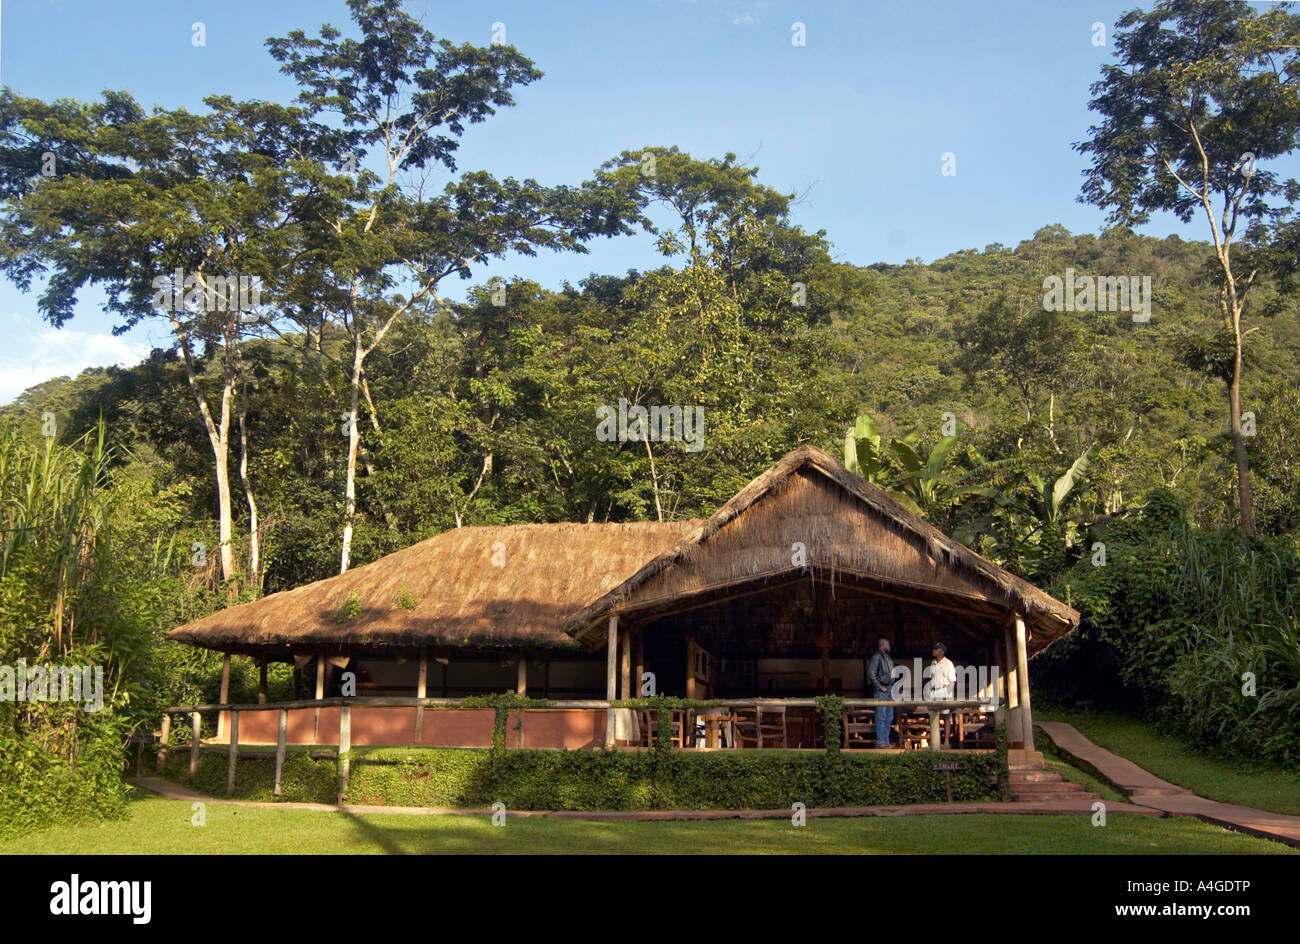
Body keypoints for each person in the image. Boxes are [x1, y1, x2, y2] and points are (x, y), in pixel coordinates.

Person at [867, 636, 895, 747]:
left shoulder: (887, 658)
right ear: (883, 645)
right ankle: (881, 741)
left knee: (889, 717)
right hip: (883, 690)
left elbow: (892, 674)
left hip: (890, 688)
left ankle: (886, 741)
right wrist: (879, 686)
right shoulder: (877, 656)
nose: (889, 646)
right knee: (881, 716)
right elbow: (871, 673)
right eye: (888, 644)